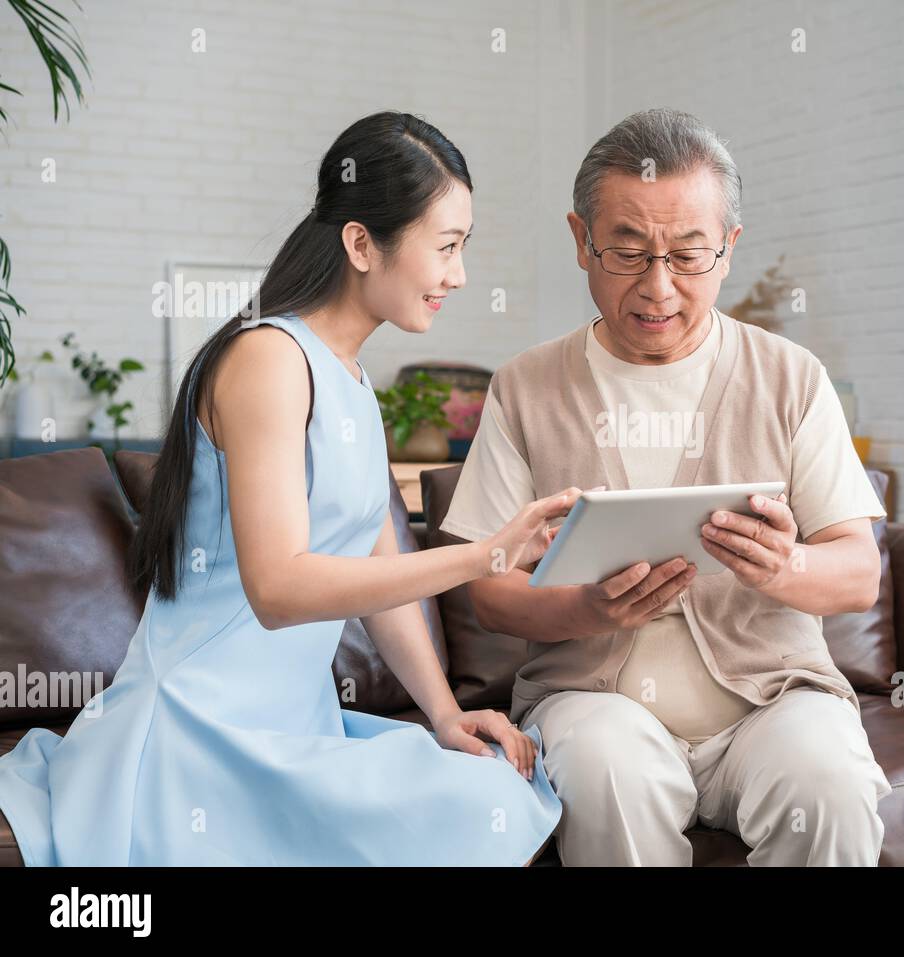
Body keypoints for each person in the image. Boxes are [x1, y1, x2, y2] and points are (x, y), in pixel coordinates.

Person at [0, 111, 579, 866]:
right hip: (202, 734)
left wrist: (442, 712)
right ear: (362, 243)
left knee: (495, 791)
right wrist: (484, 558)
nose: (459, 275)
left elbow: (382, 578)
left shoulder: (357, 387)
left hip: (294, 727)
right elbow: (278, 586)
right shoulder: (268, 360)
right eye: (446, 247)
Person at [440, 108, 894, 866]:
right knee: (604, 767)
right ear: (581, 240)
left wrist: (788, 568)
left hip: (773, 703)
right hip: (596, 704)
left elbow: (858, 574)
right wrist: (581, 607)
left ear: (729, 250)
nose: (659, 288)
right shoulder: (526, 387)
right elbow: (488, 585)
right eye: (626, 251)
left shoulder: (790, 378)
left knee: (831, 781)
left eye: (688, 255)